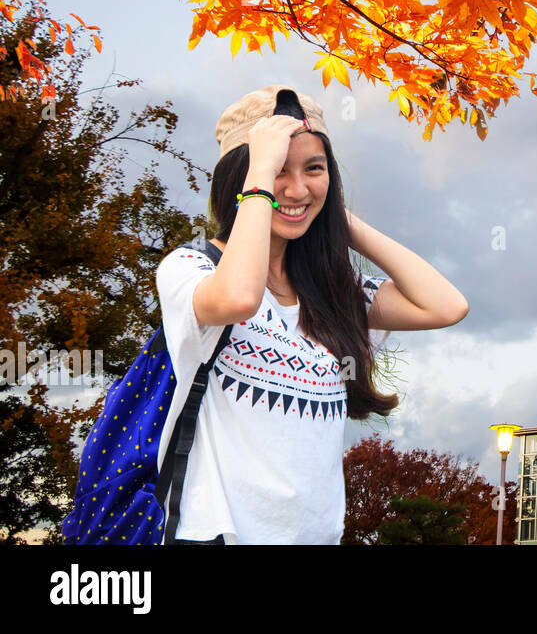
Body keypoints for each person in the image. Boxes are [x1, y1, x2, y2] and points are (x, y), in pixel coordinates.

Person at [153, 84, 469, 544]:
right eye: (278, 170)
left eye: (314, 169)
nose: (297, 188)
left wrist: (336, 219)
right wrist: (260, 169)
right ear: (241, 178)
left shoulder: (334, 292)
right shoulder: (193, 268)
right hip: (216, 533)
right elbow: (240, 297)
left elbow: (446, 305)